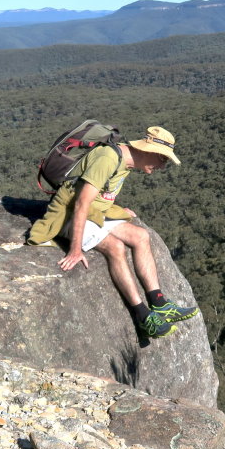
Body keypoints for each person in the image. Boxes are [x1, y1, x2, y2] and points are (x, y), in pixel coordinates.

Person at [26, 125, 198, 340]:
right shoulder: (108, 158)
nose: (162, 166)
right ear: (148, 151)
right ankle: (143, 316)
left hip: (95, 212)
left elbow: (100, 196)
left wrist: (114, 210)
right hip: (70, 214)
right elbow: (81, 203)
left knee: (141, 236)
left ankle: (160, 303)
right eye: (162, 159)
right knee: (115, 247)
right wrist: (75, 249)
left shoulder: (125, 161)